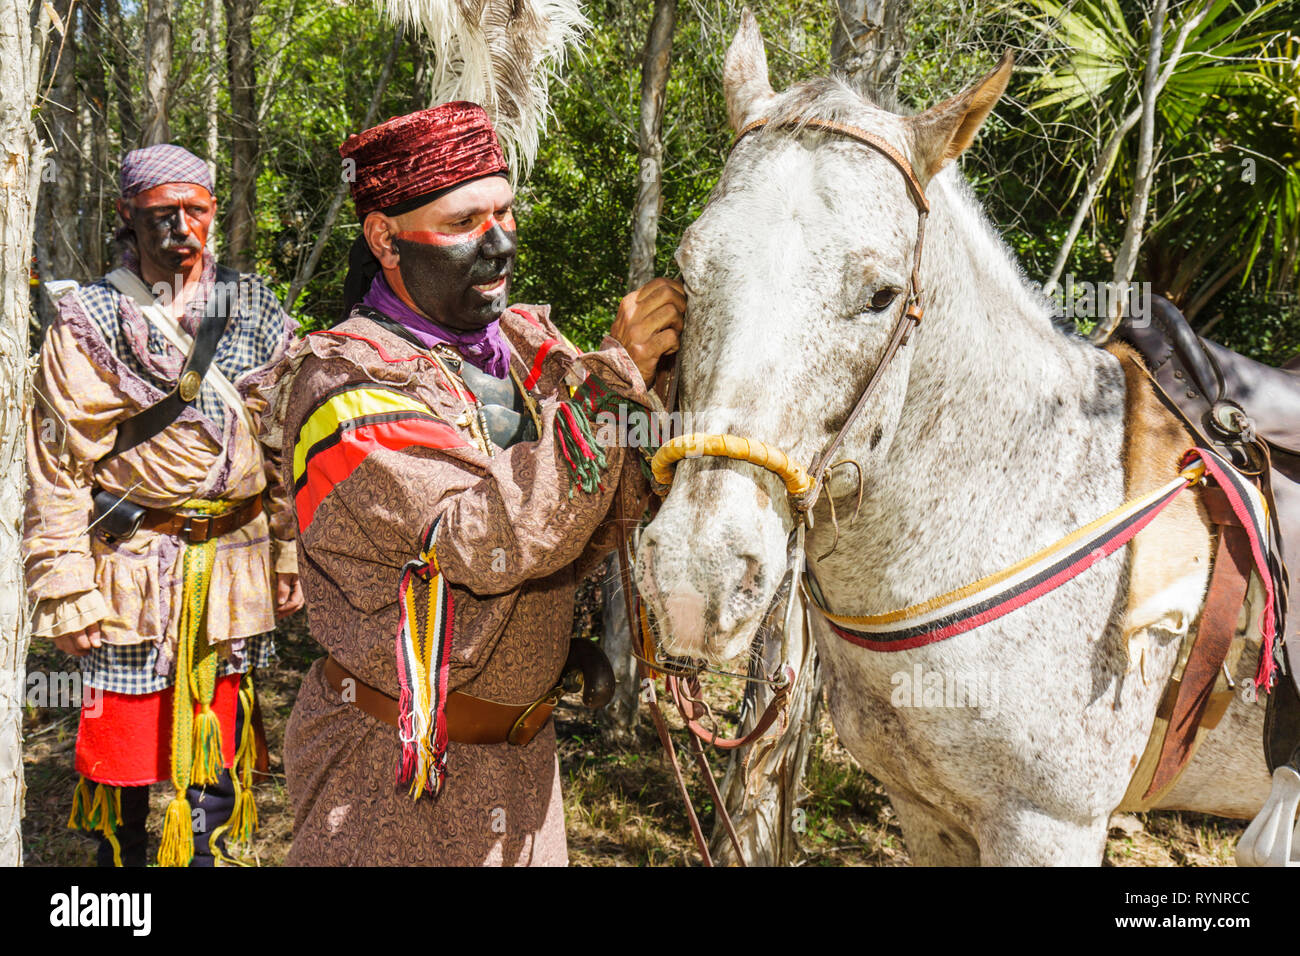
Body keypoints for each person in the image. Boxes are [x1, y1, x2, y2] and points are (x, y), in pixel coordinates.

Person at [265, 101, 683, 865]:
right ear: (385, 238)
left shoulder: (524, 352)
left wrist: (669, 390)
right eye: (464, 223)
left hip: (524, 771)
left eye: (506, 214)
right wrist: (612, 383)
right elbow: (481, 540)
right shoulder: (343, 386)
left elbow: (596, 518)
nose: (498, 244)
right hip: (391, 782)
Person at [23, 143, 303, 867]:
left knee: (212, 753)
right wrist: (65, 586)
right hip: (130, 565)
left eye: (197, 212)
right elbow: (56, 463)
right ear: (127, 215)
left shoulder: (255, 308)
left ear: (215, 213)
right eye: (160, 214)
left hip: (233, 564)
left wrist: (287, 550)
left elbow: (282, 441)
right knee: (121, 757)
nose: (181, 228)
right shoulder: (88, 317)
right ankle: (121, 889)